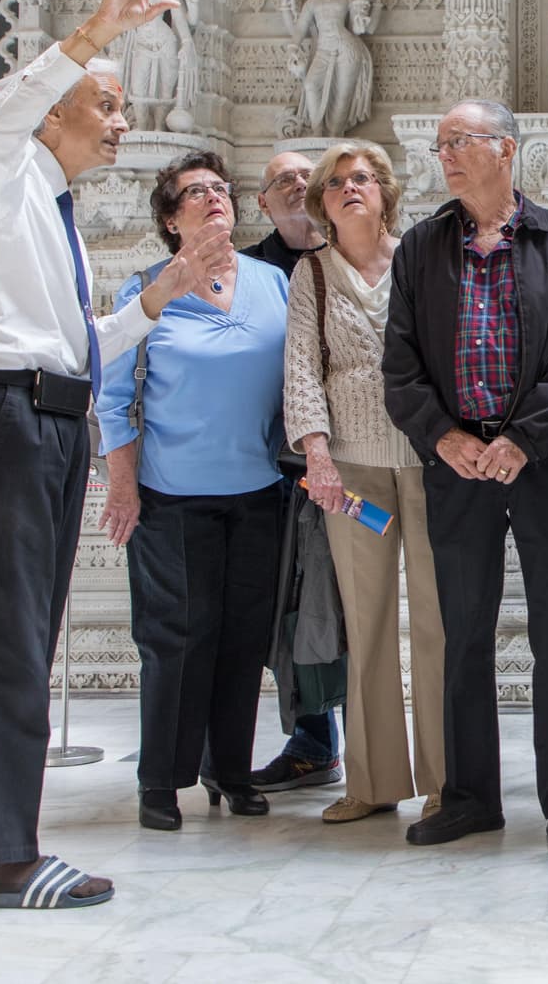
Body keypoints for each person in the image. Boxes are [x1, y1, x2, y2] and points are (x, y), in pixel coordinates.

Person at [0, 0, 235, 909]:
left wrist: (165, 291)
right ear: (51, 113)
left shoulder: (49, 211)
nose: (122, 122)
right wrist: (97, 27)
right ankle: (5, 857)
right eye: (107, 102)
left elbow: (75, 341)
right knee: (11, 638)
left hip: (41, 417)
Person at [382, 99, 548, 857]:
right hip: (456, 464)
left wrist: (522, 439)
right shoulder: (421, 247)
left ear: (505, 149)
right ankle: (471, 796)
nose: (445, 152)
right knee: (464, 633)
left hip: (542, 463)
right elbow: (400, 365)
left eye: (460, 140)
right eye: (440, 141)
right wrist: (442, 436)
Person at [96, 152, 290, 831]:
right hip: (170, 497)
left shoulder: (272, 283)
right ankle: (161, 780)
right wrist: (122, 485)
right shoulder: (146, 291)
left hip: (259, 491)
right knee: (177, 638)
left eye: (219, 189)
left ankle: (229, 768)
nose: (212, 199)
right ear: (171, 218)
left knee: (242, 636)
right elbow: (113, 395)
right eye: (194, 193)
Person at [284, 141, 446, 826]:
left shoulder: (420, 258)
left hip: (431, 463)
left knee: (439, 620)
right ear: (322, 202)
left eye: (362, 179)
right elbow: (300, 368)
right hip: (352, 473)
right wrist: (317, 459)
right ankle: (373, 779)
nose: (350, 189)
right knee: (369, 618)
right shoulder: (311, 274)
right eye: (335, 184)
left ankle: (448, 779)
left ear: (384, 191)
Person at [240, 150, 349, 796]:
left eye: (310, 177)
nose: (299, 186)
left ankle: (373, 742)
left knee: (353, 604)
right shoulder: (250, 270)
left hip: (353, 458)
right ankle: (312, 740)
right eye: (284, 180)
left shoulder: (350, 254)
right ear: (264, 202)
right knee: (291, 607)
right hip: (277, 464)